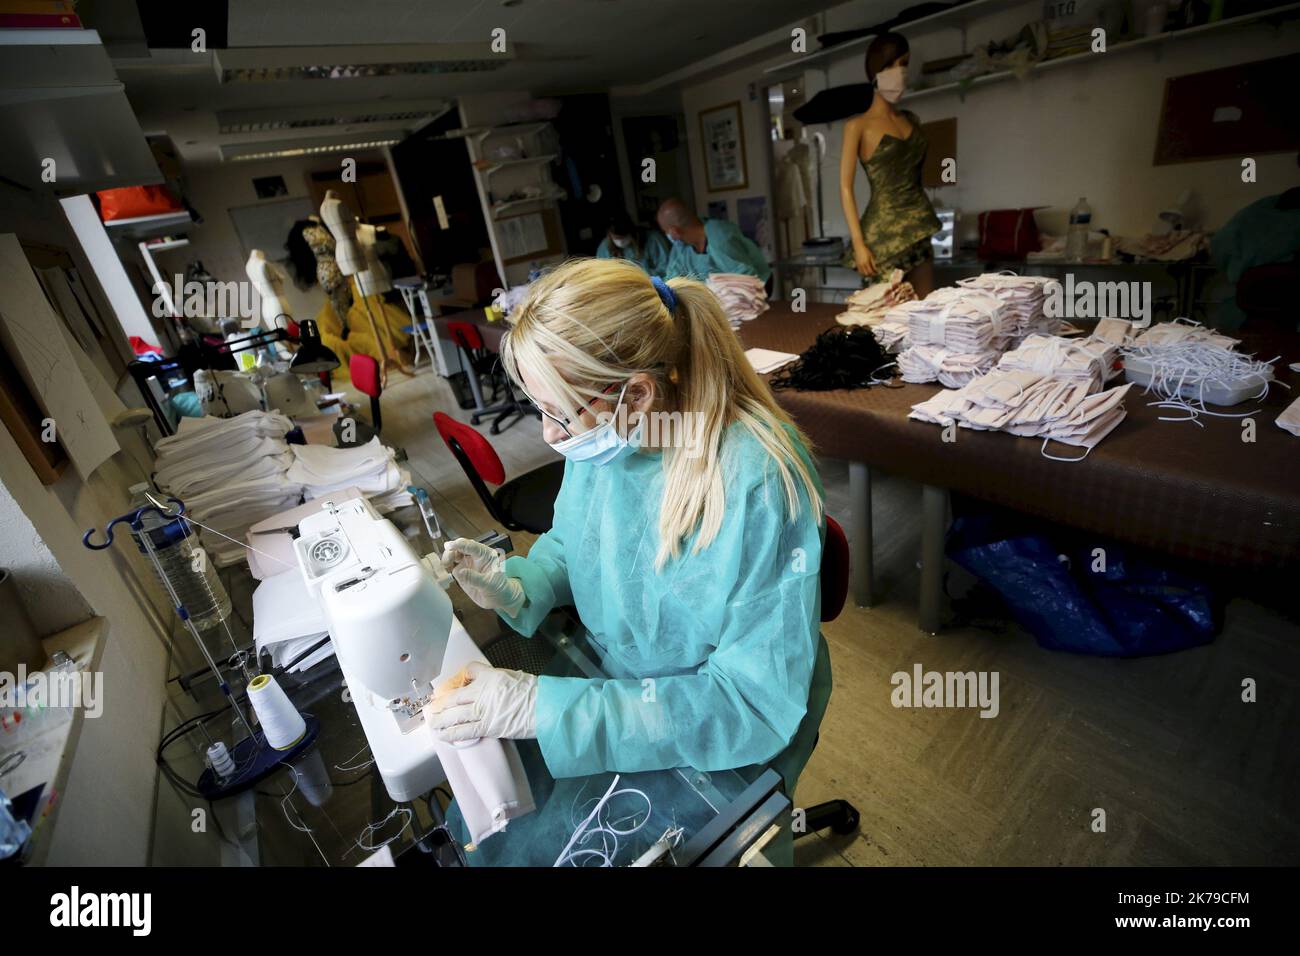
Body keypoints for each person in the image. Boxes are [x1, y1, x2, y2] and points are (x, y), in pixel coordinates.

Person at [430, 257, 829, 864]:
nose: (548, 436)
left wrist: (543, 708)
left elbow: (744, 703)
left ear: (637, 394)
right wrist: (522, 583)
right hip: (619, 681)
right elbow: (577, 542)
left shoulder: (755, 481)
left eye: (560, 414)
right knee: (483, 821)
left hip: (728, 722)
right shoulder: (614, 436)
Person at [838, 31, 940, 296]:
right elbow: (845, 188)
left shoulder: (912, 120)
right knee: (882, 317)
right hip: (882, 238)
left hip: (919, 227)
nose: (901, 71)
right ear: (876, 69)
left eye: (904, 63)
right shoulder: (857, 126)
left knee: (926, 311)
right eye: (892, 64)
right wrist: (859, 244)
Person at [656, 198, 771, 282]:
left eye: (666, 231)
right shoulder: (680, 250)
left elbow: (747, 278)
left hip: (756, 288)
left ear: (674, 231)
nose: (667, 235)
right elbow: (672, 280)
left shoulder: (719, 235)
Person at [594, 210, 670, 276]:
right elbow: (602, 276)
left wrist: (642, 276)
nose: (621, 241)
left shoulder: (653, 239)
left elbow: (667, 270)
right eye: (617, 238)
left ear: (632, 230)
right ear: (609, 234)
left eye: (624, 236)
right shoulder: (604, 249)